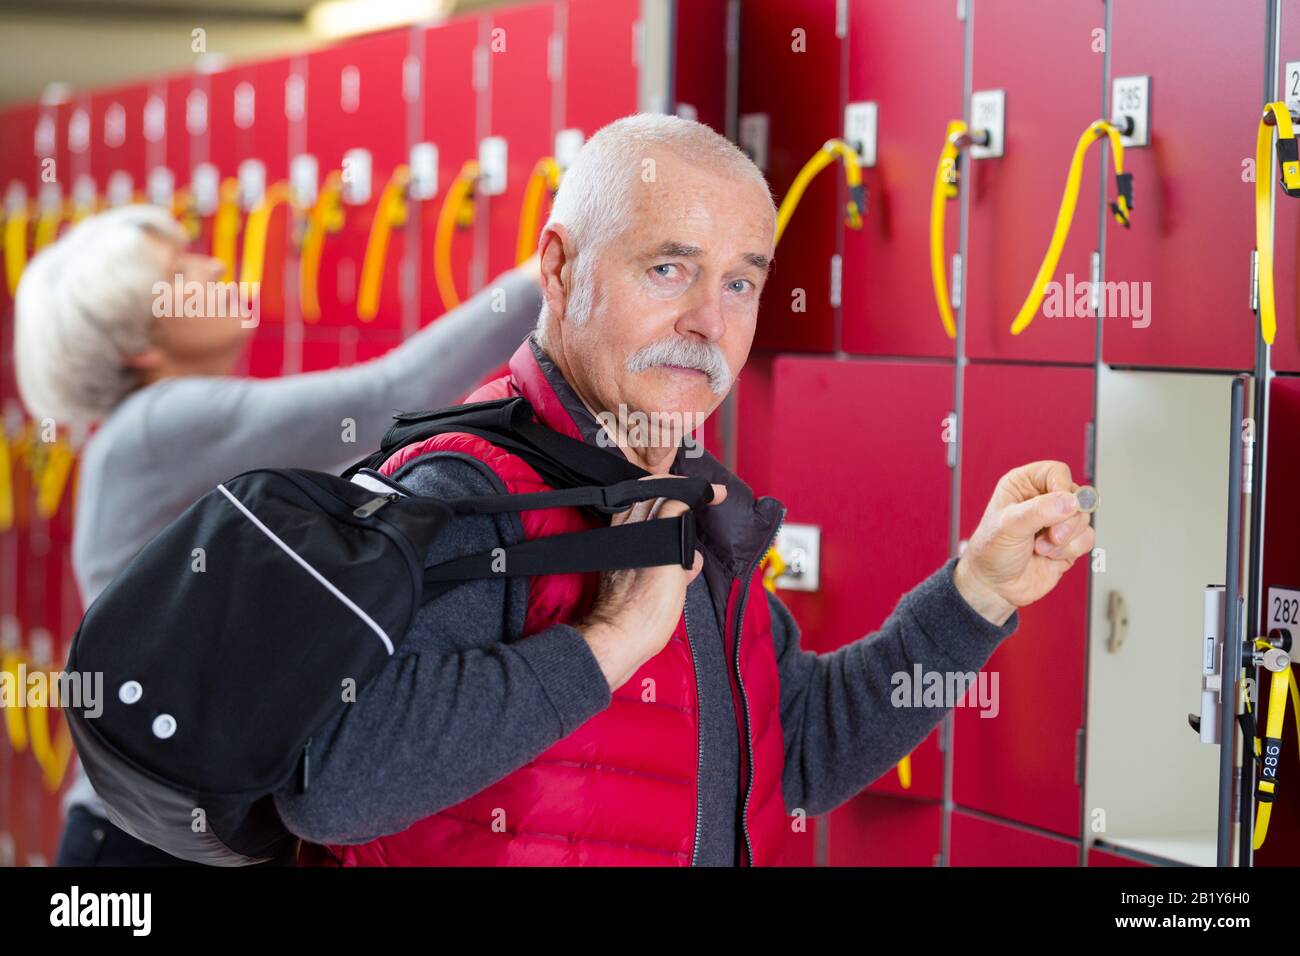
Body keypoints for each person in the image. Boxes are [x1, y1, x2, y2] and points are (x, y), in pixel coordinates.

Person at [272, 114, 1095, 866]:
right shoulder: (465, 496)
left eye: (740, 282)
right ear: (559, 271)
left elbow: (795, 751)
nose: (710, 321)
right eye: (669, 269)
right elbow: (333, 786)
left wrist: (976, 594)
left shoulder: (684, 501)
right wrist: (611, 639)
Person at [12, 203, 544, 865]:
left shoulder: (143, 437)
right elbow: (388, 395)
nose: (213, 263)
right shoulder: (158, 425)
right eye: (180, 268)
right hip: (146, 842)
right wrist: (539, 276)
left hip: (178, 821)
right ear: (139, 343)